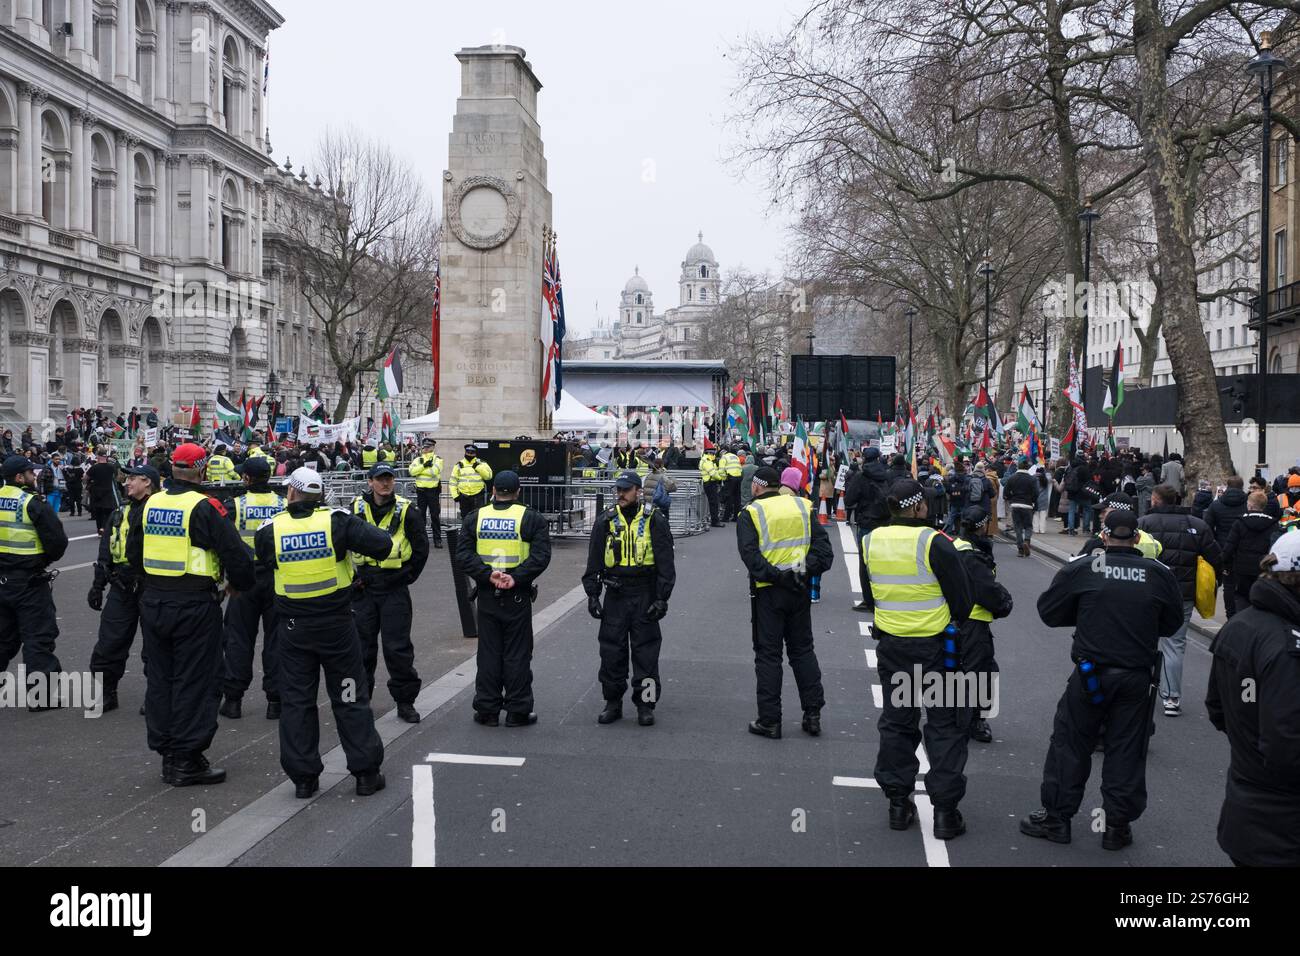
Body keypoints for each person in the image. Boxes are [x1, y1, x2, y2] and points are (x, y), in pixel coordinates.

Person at [1022, 508, 1185, 849]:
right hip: (1135, 678)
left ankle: (1058, 820)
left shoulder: (1085, 567)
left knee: (1071, 744)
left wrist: (1085, 614)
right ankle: (1116, 827)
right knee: (1126, 750)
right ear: (1138, 537)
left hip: (1090, 674)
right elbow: (1170, 625)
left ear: (1104, 536)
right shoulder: (1158, 573)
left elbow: (1049, 612)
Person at [256, 467, 394, 798]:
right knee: (349, 696)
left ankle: (304, 779)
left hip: (292, 629)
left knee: (297, 701)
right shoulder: (337, 521)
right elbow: (383, 545)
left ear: (291, 492)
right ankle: (365, 774)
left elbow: (265, 561)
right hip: (337, 627)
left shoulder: (270, 530)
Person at [134, 443, 254, 786]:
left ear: (172, 469)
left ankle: (168, 753)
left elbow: (133, 551)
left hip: (155, 602)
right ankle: (187, 758)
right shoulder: (204, 507)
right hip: (193, 605)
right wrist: (239, 585)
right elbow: (236, 555)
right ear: (202, 470)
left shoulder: (151, 503)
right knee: (197, 680)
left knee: (161, 678)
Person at [862, 478, 973, 838]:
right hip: (937, 649)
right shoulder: (934, 542)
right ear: (917, 506)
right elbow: (962, 599)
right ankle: (944, 812)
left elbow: (871, 592)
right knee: (944, 726)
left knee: (897, 722)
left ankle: (898, 803)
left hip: (894, 646)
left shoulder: (871, 540)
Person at [1205, 532, 1300, 866]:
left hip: (1246, 809)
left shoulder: (1239, 625)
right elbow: (1287, 746)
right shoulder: (1288, 647)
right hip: (1284, 829)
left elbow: (1217, 709)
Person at [736, 465, 833, 739]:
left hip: (768, 592)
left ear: (756, 486)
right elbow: (824, 554)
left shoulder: (751, 513)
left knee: (768, 655)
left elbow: (751, 557)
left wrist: (777, 576)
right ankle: (812, 714)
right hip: (799, 589)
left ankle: (770, 720)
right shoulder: (803, 507)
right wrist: (797, 573)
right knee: (803, 651)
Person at [457, 471, 552, 726]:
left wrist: (487, 575)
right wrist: (516, 577)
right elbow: (541, 556)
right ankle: (517, 711)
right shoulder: (530, 518)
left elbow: (464, 554)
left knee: (488, 654)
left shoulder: (476, 517)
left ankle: (487, 710)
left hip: (487, 593)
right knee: (517, 654)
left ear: (493, 491)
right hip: (516, 595)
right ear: (518, 491)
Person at [583, 470, 675, 726]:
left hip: (644, 593)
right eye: (618, 490)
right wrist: (593, 595)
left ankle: (645, 705)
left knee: (646, 655)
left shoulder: (654, 519)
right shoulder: (606, 520)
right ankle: (612, 702)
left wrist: (662, 598)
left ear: (638, 491)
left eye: (626, 489)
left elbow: (666, 563)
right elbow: (594, 561)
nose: (620, 494)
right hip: (616, 594)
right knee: (612, 652)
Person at [351, 462, 428, 724]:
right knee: (361, 650)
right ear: (370, 482)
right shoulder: (355, 508)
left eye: (390, 479)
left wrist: (405, 577)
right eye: (380, 479)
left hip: (394, 587)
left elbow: (420, 549)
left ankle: (405, 702)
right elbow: (340, 548)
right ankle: (361, 702)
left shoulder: (407, 511)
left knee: (398, 649)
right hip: (363, 588)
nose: (386, 483)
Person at [1138, 484, 1222, 716]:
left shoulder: (1145, 523)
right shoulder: (1197, 524)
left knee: (1143, 640)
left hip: (1149, 591)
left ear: (1155, 499)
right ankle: (1171, 697)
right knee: (1174, 644)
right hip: (1181, 594)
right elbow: (1215, 556)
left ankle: (1136, 691)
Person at [217, 456, 286, 720]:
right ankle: (275, 702)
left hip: (243, 581)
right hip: (275, 578)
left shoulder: (234, 505)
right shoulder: (282, 503)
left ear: (246, 478)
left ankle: (233, 700)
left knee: (238, 640)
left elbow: (224, 543)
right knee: (276, 640)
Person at [0, 455, 70, 709]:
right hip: (28, 583)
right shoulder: (32, 503)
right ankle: (40, 698)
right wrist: (40, 561)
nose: (35, 476)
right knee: (38, 638)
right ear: (20, 477)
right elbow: (57, 542)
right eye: (31, 472)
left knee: (3, 638)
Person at [88, 464, 158, 713]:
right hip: (121, 584)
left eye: (132, 479)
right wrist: (98, 584)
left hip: (152, 586)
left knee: (155, 647)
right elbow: (106, 548)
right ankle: (106, 692)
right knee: (109, 642)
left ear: (147, 482)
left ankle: (156, 696)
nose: (126, 483)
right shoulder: (120, 511)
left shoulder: (159, 511)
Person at [951, 506, 1013, 743]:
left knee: (959, 670)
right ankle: (973, 721)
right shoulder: (973, 554)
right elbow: (986, 590)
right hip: (973, 623)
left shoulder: (956, 546)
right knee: (981, 673)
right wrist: (1004, 602)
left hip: (954, 619)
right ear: (982, 525)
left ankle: (959, 717)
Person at [1220, 491, 1282, 616]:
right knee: (1260, 599)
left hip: (1241, 569)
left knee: (1241, 599)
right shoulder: (1273, 525)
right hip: (1262, 569)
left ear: (1250, 506)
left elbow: (1230, 546)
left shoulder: (1240, 522)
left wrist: (1224, 564)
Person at [845, 446, 891, 611]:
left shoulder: (861, 477)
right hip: (886, 523)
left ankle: (868, 600)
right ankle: (884, 597)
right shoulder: (887, 475)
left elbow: (849, 500)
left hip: (866, 523)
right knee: (884, 562)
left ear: (864, 459)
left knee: (865, 563)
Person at [1203, 476, 1248, 616]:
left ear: (1227, 487)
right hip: (1245, 549)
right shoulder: (1248, 503)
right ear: (1242, 487)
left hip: (1224, 548)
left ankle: (1230, 614)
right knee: (1245, 583)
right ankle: (1244, 613)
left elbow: (1207, 528)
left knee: (1228, 584)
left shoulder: (1216, 505)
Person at [408, 437, 445, 550]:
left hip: (433, 492)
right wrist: (424, 466)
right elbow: (411, 472)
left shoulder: (438, 459)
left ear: (433, 447)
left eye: (428, 447)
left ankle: (437, 540)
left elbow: (434, 472)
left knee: (435, 517)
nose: (425, 449)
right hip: (421, 492)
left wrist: (420, 470)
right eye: (424, 447)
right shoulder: (418, 460)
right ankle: (422, 540)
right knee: (421, 517)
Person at [1002, 457, 1039, 557]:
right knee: (1028, 526)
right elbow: (1036, 493)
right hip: (1027, 505)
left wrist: (1011, 498)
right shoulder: (1032, 479)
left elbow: (1005, 492)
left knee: (1017, 527)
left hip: (1015, 504)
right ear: (1027, 468)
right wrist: (1033, 501)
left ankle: (1020, 549)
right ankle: (1027, 541)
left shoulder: (1012, 478)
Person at [450, 444, 493, 519]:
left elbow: (488, 476)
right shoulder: (459, 465)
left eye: (472, 453)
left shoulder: (481, 463)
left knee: (477, 518)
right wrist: (455, 496)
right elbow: (453, 481)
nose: (469, 454)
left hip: (478, 496)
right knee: (465, 518)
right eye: (468, 452)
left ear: (475, 453)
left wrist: (478, 467)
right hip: (464, 497)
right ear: (465, 452)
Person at [87, 448, 120, 535]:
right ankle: (105, 527)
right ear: (106, 456)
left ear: (98, 456)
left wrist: (91, 481)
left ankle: (99, 529)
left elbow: (85, 477)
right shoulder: (111, 467)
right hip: (108, 491)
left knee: (98, 512)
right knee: (108, 511)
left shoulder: (94, 467)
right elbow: (117, 477)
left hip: (96, 492)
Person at [699, 445, 723, 527]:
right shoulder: (707, 461)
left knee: (713, 502)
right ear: (709, 453)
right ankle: (715, 521)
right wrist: (721, 478)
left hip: (709, 483)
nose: (714, 455)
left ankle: (714, 520)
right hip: (710, 483)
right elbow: (713, 473)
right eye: (713, 453)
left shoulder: (706, 460)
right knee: (714, 503)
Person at [720, 446, 742, 522]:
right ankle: (736, 517)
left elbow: (721, 471)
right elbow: (740, 468)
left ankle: (726, 517)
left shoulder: (724, 457)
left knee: (729, 498)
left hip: (730, 478)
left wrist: (724, 479)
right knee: (737, 498)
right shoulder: (735, 457)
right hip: (738, 477)